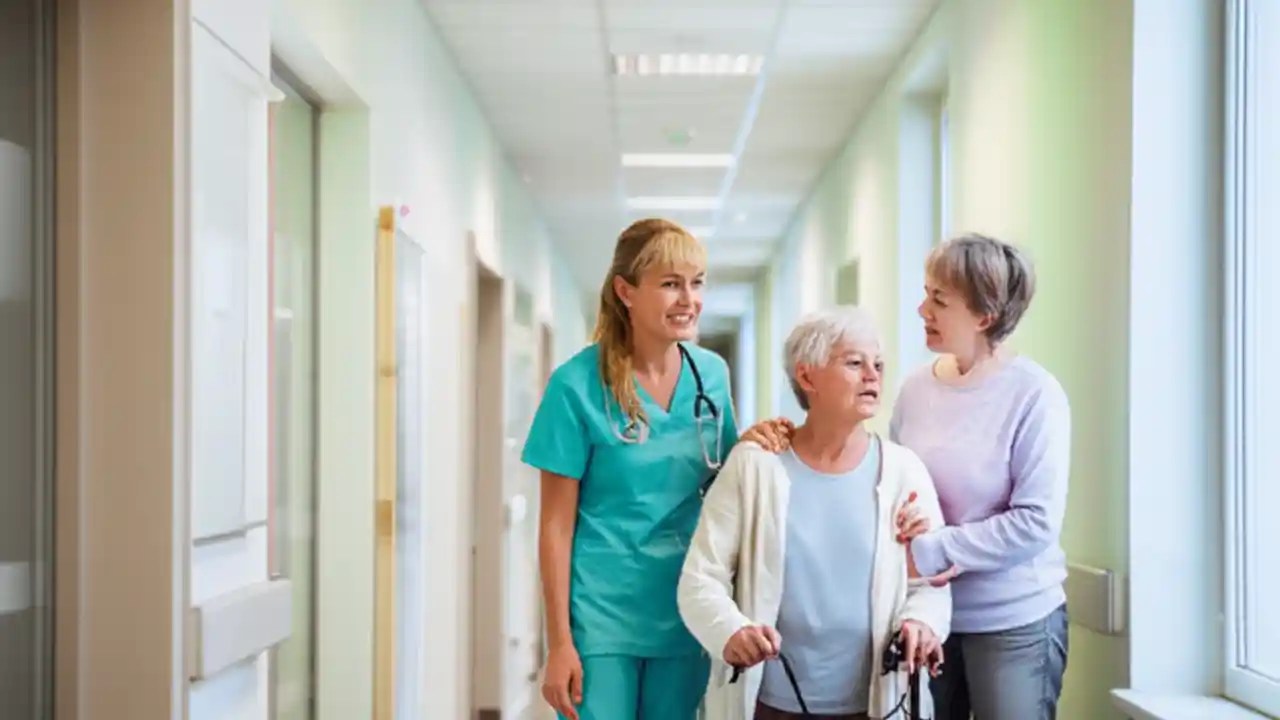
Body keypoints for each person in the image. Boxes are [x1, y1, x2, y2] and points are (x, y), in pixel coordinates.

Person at [522, 219, 790, 720]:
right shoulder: (575, 385)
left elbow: (721, 483)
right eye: (670, 284)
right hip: (602, 618)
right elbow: (555, 527)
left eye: (697, 283)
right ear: (626, 292)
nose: (689, 299)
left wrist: (752, 445)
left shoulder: (710, 375)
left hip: (685, 607)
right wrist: (558, 643)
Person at [677, 306, 951, 720]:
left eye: (878, 365)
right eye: (854, 363)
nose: (872, 376)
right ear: (807, 377)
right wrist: (731, 631)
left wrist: (921, 623)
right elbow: (700, 579)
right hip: (772, 703)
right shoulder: (755, 465)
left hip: (875, 703)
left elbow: (931, 583)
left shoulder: (903, 471)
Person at [891, 234, 1072, 720]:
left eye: (939, 299)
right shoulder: (914, 389)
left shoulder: (1035, 394)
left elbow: (1035, 522)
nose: (922, 309)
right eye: (926, 293)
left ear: (984, 316)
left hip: (1015, 622)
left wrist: (933, 549)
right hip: (930, 617)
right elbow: (894, 483)